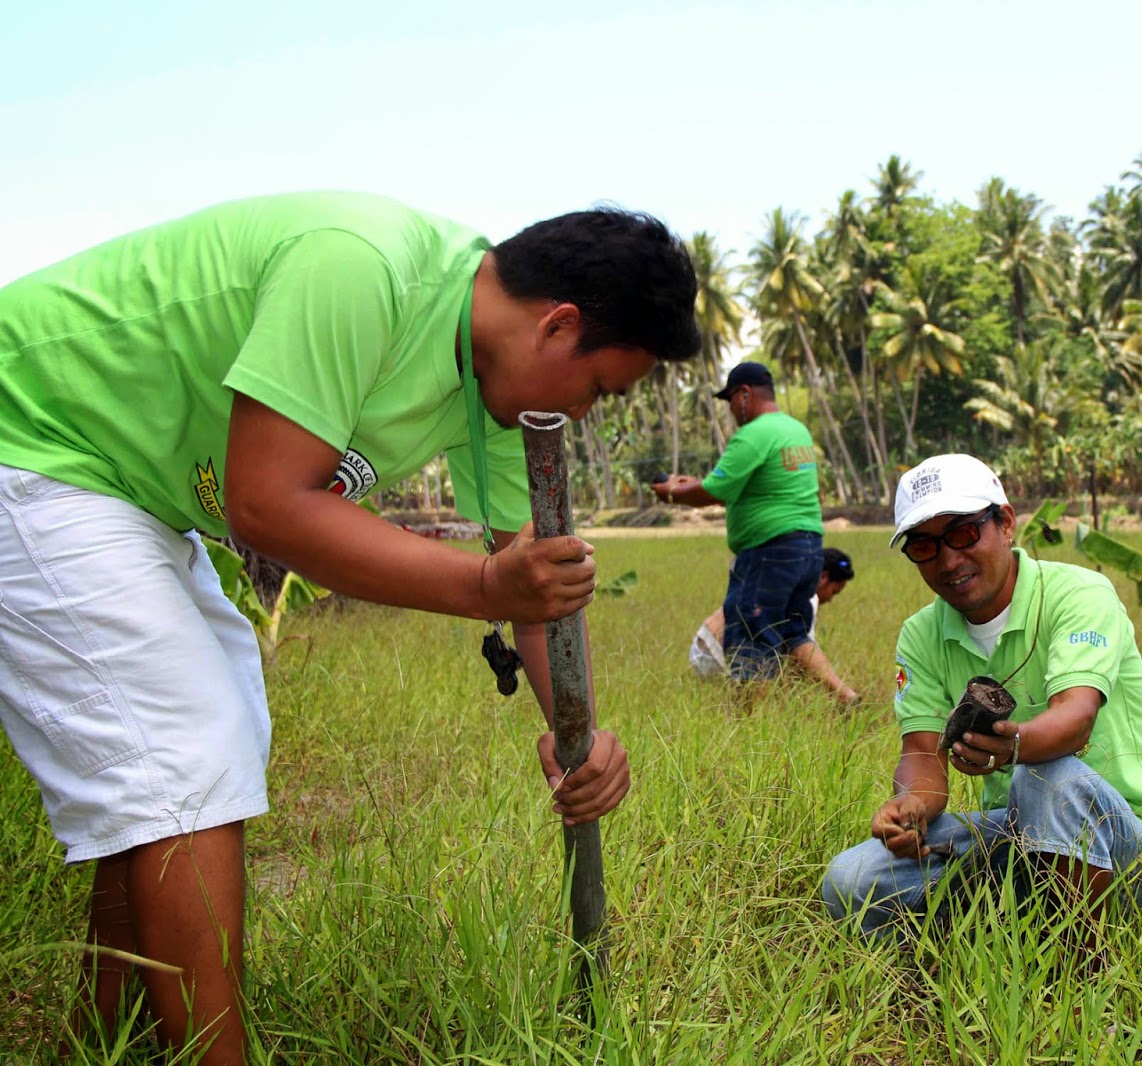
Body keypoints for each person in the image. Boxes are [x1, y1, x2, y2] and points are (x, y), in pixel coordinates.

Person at [0, 191, 699, 1064]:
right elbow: (266, 503)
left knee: (191, 748)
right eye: (601, 388)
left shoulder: (502, 400)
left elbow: (534, 586)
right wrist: (486, 582)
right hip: (32, 436)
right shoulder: (360, 268)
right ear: (558, 327)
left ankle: (107, 1031)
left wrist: (579, 733)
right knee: (182, 751)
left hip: (125, 490)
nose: (591, 413)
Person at [821, 454, 1142, 958]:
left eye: (963, 534)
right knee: (852, 879)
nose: (948, 560)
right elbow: (924, 755)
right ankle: (961, 964)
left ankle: (1083, 980)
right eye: (925, 546)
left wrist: (1012, 747)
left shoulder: (1077, 595)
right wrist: (911, 807)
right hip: (1021, 840)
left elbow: (1075, 719)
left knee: (1046, 778)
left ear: (1007, 522)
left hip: (1133, 849)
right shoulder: (921, 635)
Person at [652, 361, 826, 688]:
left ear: (744, 394)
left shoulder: (754, 434)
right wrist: (694, 485)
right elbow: (739, 488)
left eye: (730, 400)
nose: (730, 409)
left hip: (770, 551)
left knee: (751, 631)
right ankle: (845, 697)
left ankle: (747, 723)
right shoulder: (794, 430)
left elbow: (714, 491)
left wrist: (673, 492)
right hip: (808, 548)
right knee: (793, 632)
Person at [689, 547, 858, 703]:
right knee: (764, 711)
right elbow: (801, 652)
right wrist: (841, 693)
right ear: (823, 577)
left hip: (703, 645)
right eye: (834, 591)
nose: (830, 599)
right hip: (720, 657)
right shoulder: (806, 597)